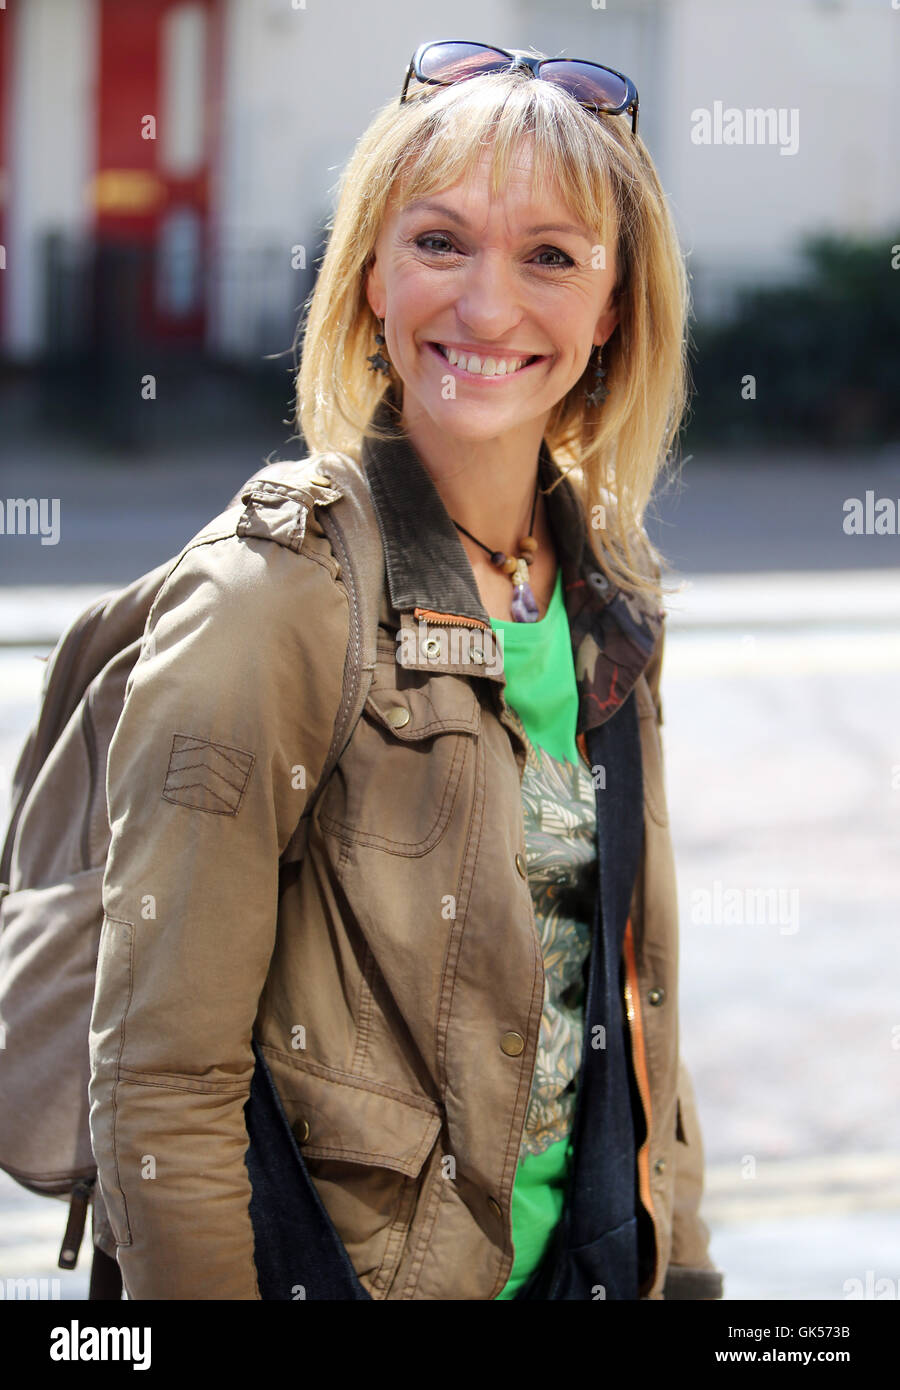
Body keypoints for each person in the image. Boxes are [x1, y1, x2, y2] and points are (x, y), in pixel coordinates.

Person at [88, 39, 724, 1301]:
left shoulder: (611, 592)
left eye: (550, 255)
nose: (488, 308)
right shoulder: (277, 593)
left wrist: (684, 1265)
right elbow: (161, 1082)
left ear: (611, 311)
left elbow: (638, 1003)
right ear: (372, 275)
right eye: (440, 243)